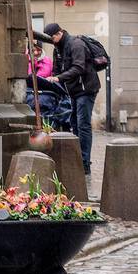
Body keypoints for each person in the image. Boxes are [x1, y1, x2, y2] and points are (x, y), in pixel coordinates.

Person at [35, 23, 101, 175]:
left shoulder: (76, 44)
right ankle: (76, 159)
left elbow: (79, 67)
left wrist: (58, 78)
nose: (52, 41)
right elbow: (57, 69)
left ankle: (85, 163)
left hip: (85, 89)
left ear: (59, 33)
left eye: (52, 38)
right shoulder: (58, 48)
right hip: (72, 91)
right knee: (73, 124)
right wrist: (54, 80)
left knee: (82, 124)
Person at [25, 44, 72, 132]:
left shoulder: (47, 61)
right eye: (33, 50)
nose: (35, 52)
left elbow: (46, 75)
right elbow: (28, 75)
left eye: (38, 50)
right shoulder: (25, 60)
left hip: (45, 93)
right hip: (30, 92)